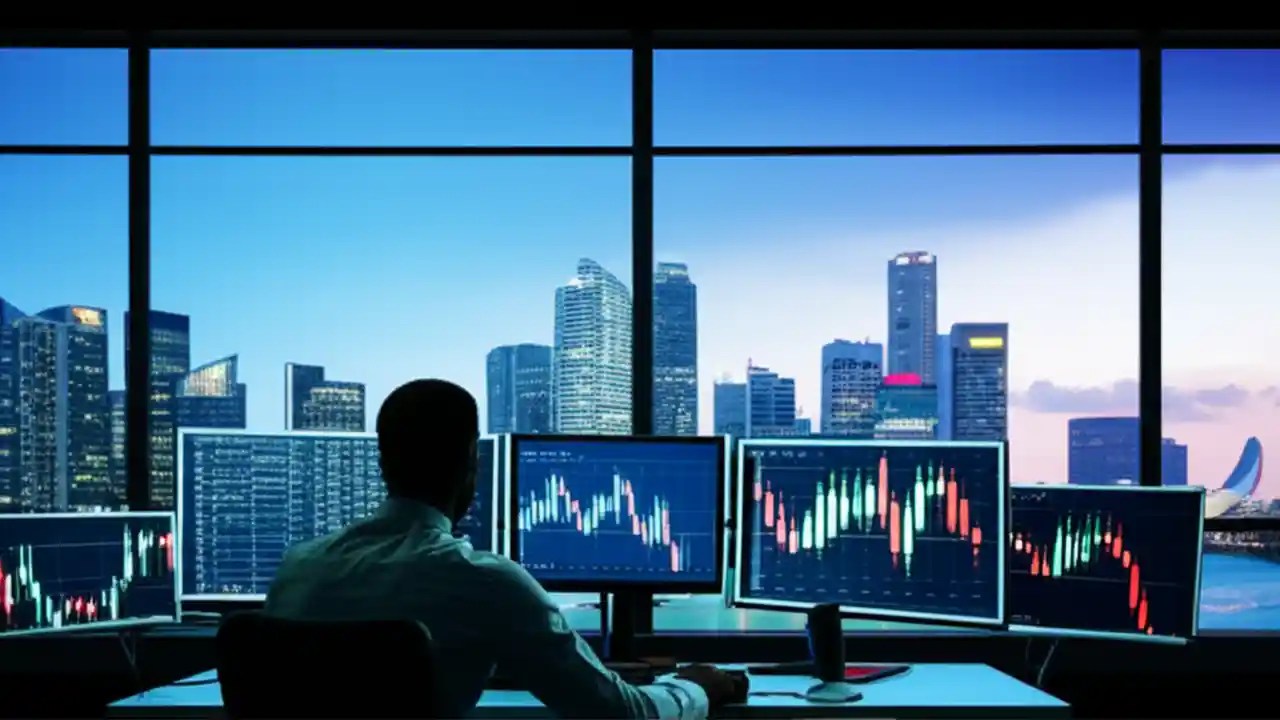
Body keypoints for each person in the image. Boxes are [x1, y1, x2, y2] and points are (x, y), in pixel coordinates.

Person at [265, 378, 736, 719]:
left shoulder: (297, 567)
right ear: (472, 461)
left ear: (382, 462)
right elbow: (619, 714)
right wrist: (694, 688)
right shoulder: (485, 581)